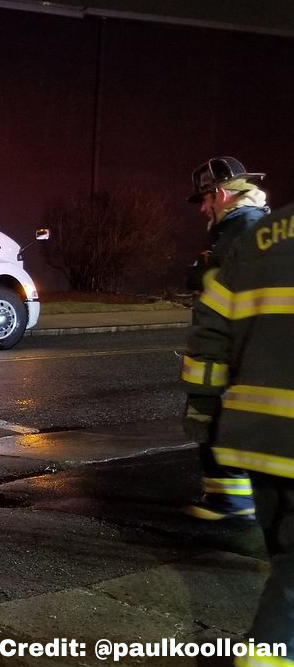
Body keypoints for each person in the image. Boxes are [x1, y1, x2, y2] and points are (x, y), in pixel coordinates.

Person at [182, 199, 294, 665]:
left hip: (256, 438)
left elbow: (209, 334)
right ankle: (270, 651)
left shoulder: (258, 237)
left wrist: (205, 415)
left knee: (286, 556)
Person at [181, 157, 269, 520]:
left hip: (232, 350)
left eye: (204, 199)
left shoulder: (241, 229)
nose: (202, 208)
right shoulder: (247, 226)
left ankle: (233, 502)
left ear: (219, 194)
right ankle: (229, 498)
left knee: (217, 415)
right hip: (238, 348)